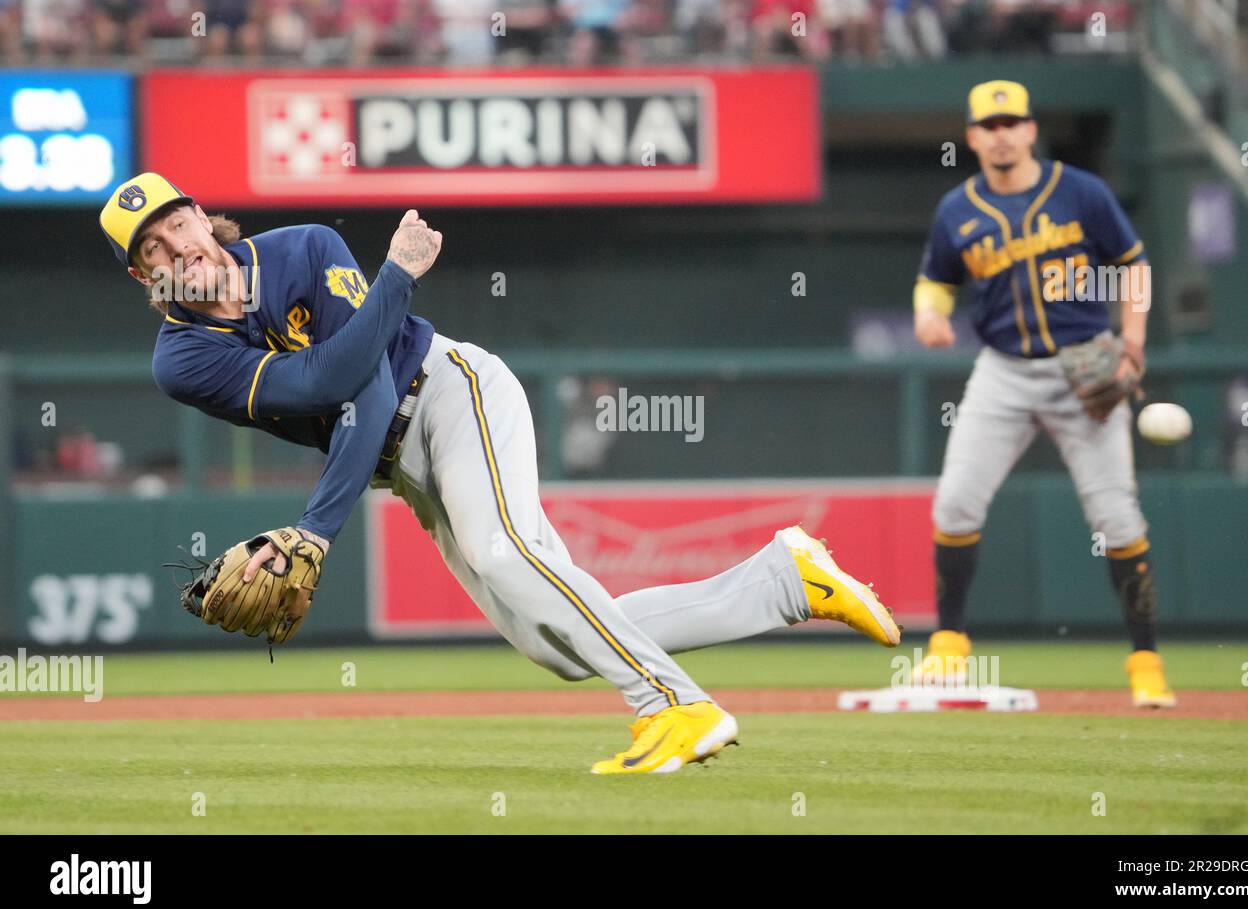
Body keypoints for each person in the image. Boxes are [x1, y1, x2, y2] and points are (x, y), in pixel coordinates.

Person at [101, 171, 902, 774]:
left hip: (453, 392)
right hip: (402, 466)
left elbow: (368, 383)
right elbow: (322, 385)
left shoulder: (303, 246)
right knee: (552, 644)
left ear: (203, 215)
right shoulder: (182, 358)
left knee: (506, 556)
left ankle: (676, 705)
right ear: (144, 277)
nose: (179, 248)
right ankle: (784, 582)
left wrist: (316, 527)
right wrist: (395, 279)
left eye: (178, 223)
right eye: (154, 249)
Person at [912, 80, 1175, 708]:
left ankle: (1146, 663)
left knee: (1116, 517)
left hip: (1083, 371)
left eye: (1013, 122)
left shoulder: (1081, 192)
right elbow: (936, 279)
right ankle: (949, 647)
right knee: (953, 506)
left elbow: (1133, 264)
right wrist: (929, 314)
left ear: (1031, 129)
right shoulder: (958, 209)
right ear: (972, 136)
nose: (1002, 133)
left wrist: (1133, 342)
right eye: (989, 124)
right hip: (1002, 371)